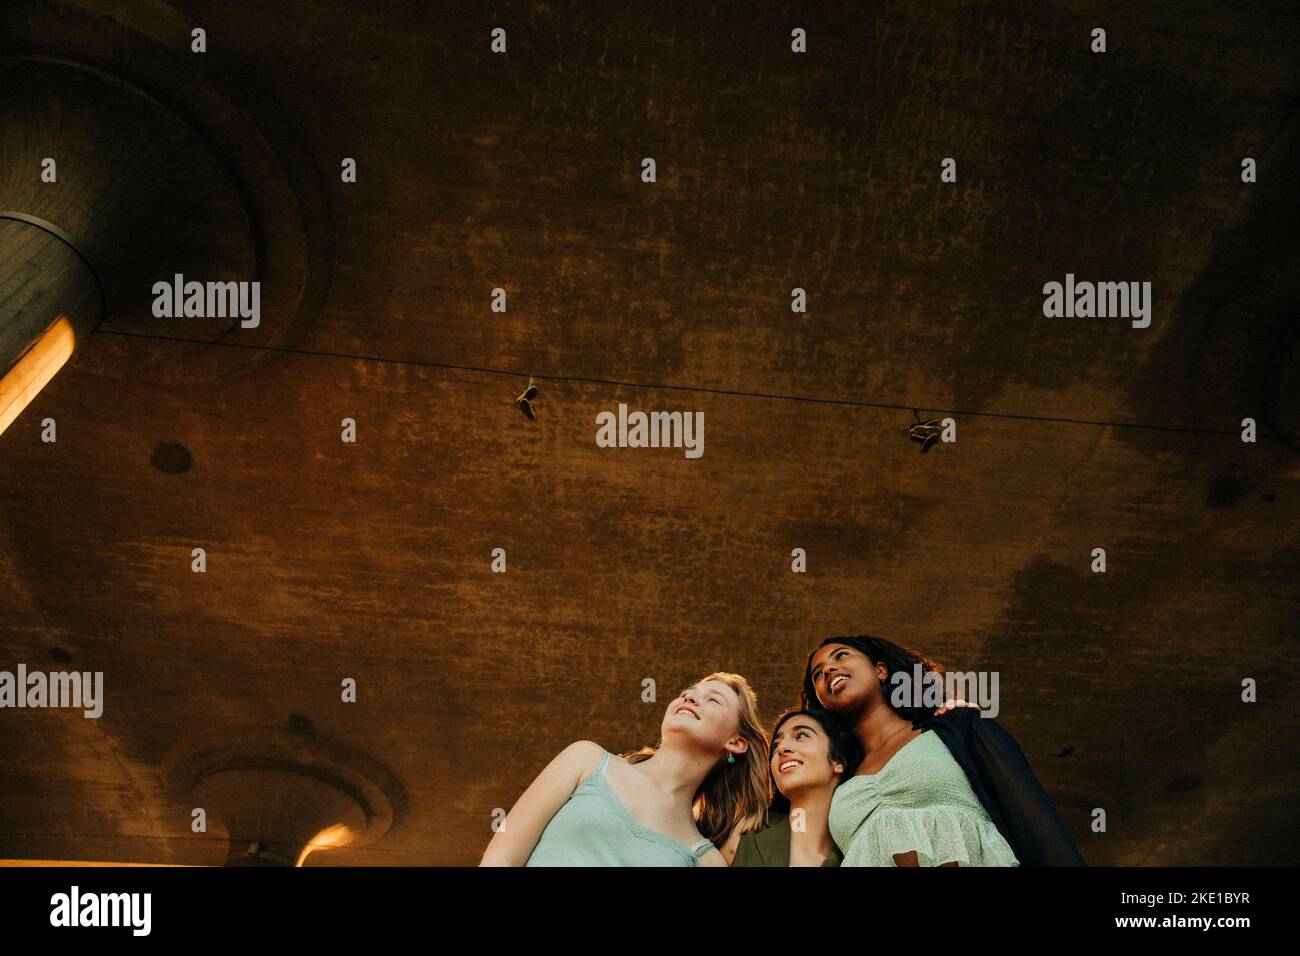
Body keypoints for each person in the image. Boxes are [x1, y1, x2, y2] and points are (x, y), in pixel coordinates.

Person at [802, 635, 1084, 867]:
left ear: (880, 670)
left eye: (840, 656)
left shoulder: (957, 728)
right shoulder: (837, 775)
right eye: (818, 674)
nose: (828, 670)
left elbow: (1030, 814)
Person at [479, 672, 769, 866]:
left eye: (713, 700)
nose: (689, 698)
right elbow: (501, 858)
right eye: (687, 692)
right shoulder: (587, 761)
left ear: (736, 742)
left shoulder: (703, 859)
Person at [726, 706, 862, 867]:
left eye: (802, 736)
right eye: (776, 745)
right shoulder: (743, 833)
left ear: (837, 761)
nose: (782, 749)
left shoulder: (858, 856)